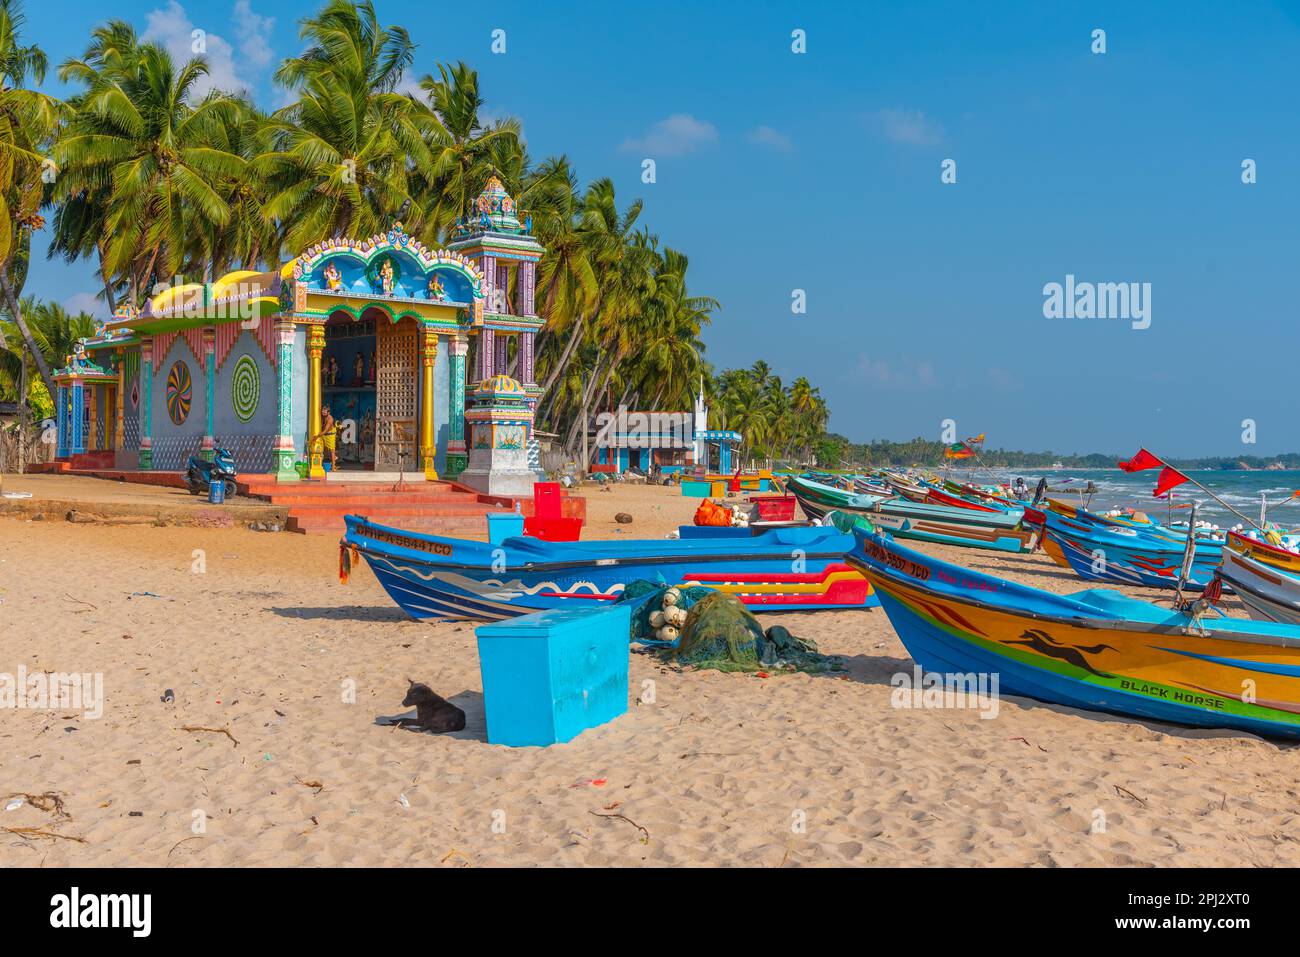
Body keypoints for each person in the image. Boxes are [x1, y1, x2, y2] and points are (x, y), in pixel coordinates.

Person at [311, 404, 338, 472]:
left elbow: (325, 430)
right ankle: (333, 459)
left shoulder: (330, 419)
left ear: (328, 412)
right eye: (322, 412)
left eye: (325, 412)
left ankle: (333, 466)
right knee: (324, 449)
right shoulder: (322, 416)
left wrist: (316, 437)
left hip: (330, 434)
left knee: (332, 450)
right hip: (323, 434)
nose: (323, 413)